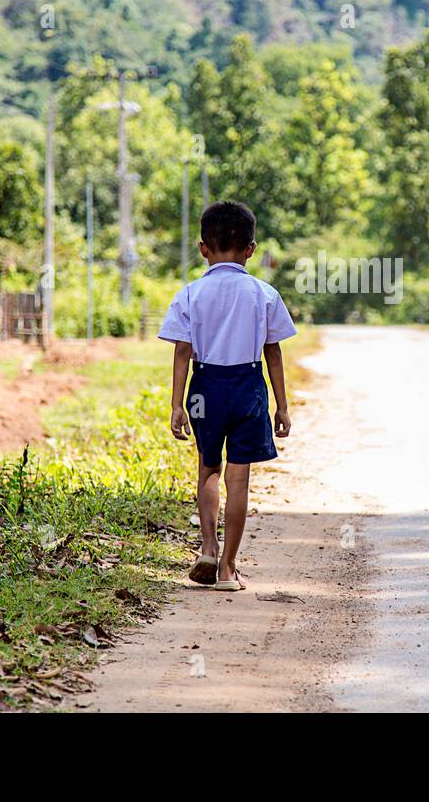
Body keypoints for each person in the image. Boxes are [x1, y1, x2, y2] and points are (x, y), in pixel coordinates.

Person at [158, 201, 296, 591]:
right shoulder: (264, 294)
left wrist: (176, 405)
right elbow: (273, 351)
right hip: (249, 388)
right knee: (239, 479)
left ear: (204, 248)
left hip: (205, 388)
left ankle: (207, 545)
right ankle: (228, 569)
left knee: (208, 469)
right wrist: (282, 405)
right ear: (251, 249)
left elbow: (182, 351)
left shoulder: (190, 294)